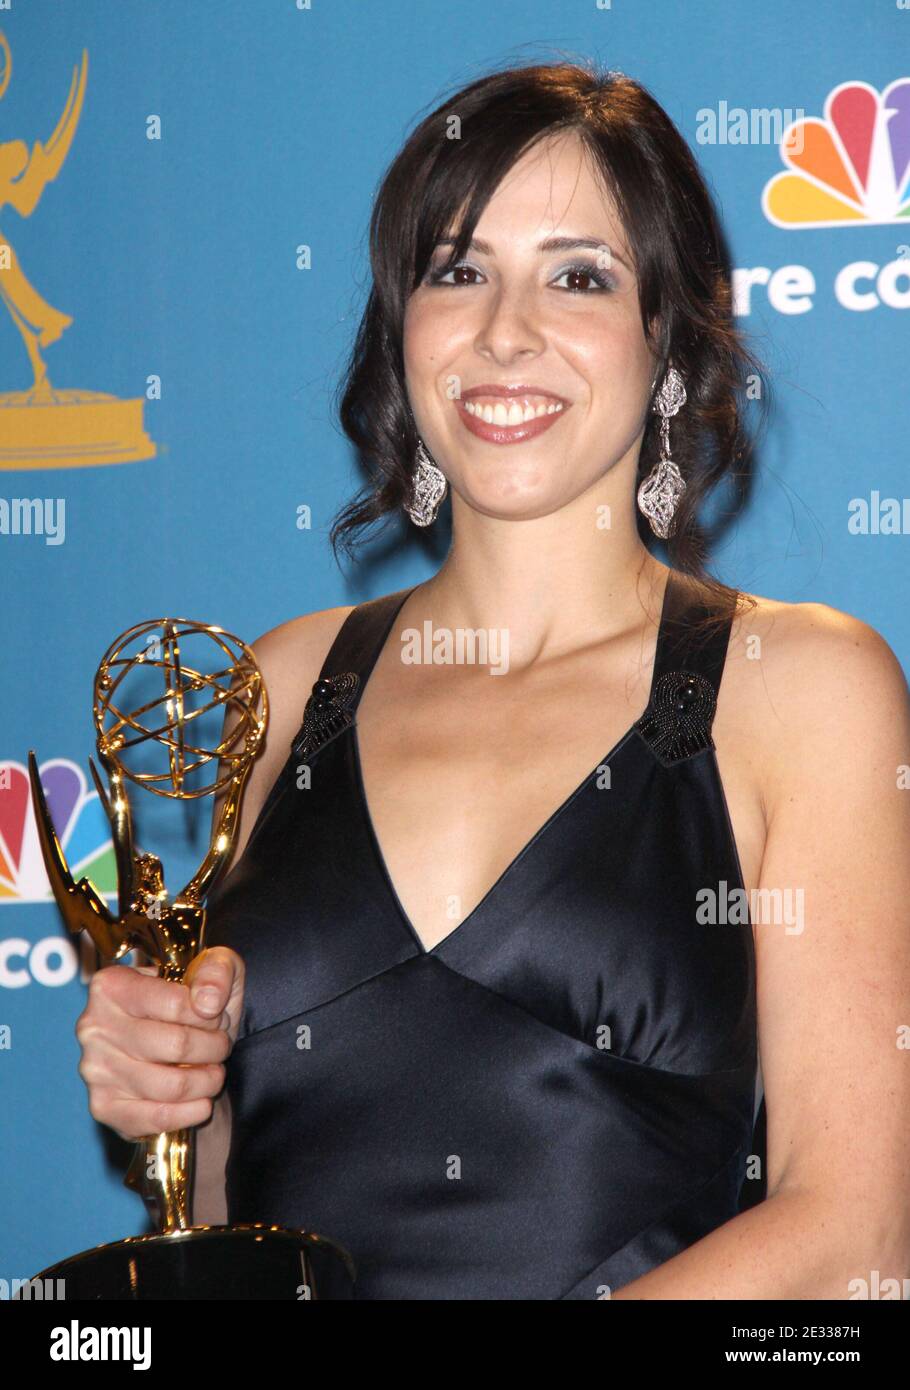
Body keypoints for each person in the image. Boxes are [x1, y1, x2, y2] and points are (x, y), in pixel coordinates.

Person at [75, 62, 910, 1299]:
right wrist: (170, 1100)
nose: (503, 330)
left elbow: (855, 1242)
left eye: (579, 275)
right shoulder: (284, 685)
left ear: (664, 341)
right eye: (456, 271)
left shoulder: (798, 689)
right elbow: (223, 1218)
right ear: (399, 328)